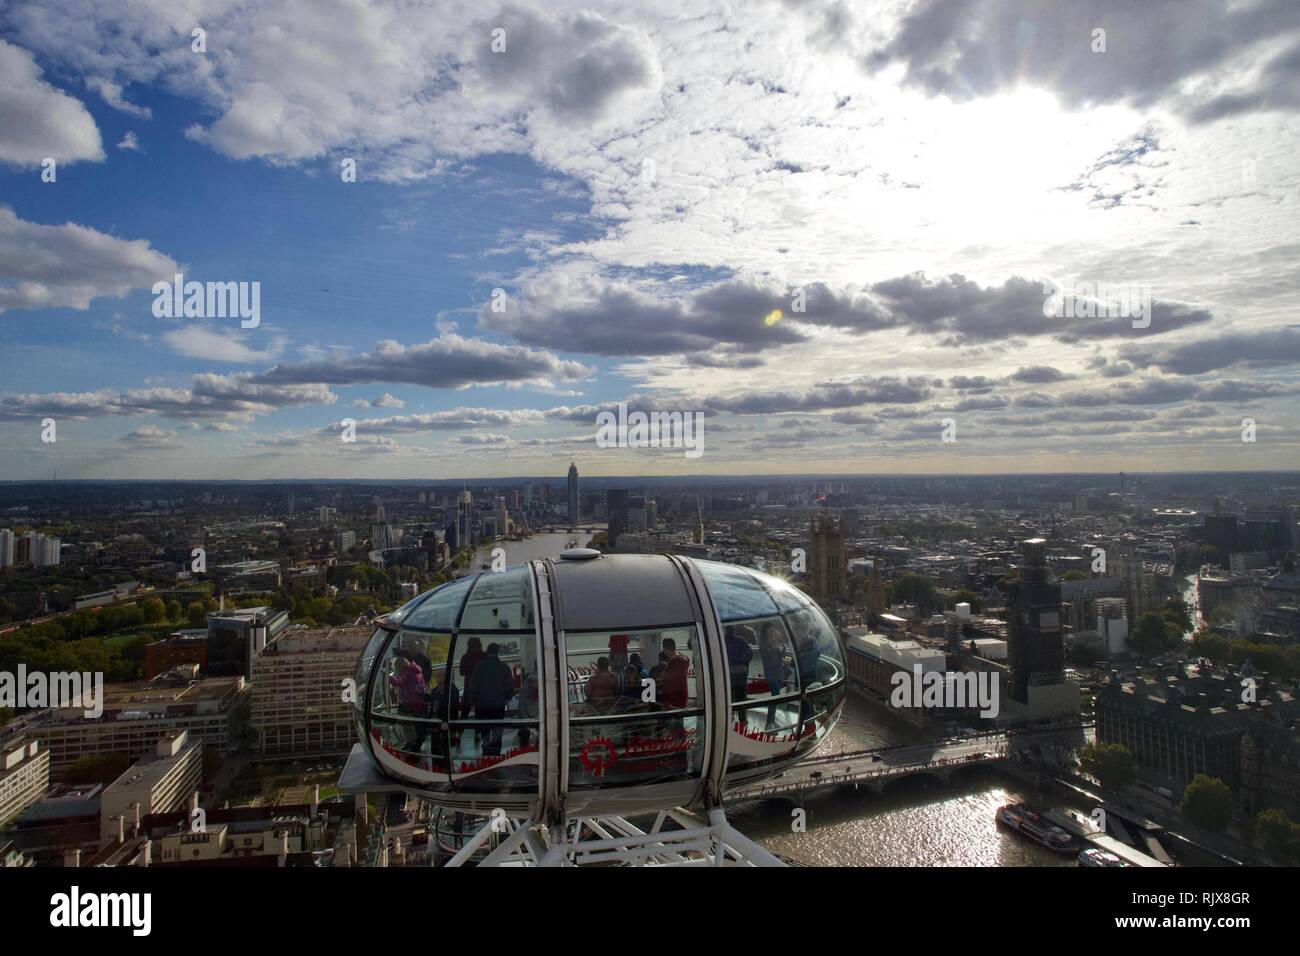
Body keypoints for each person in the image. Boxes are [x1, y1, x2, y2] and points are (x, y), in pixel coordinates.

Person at [464, 642, 515, 756]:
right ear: (498, 652)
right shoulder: (504, 667)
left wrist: (472, 701)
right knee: (497, 728)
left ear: (488, 652)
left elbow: (473, 685)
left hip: (482, 704)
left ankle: (486, 748)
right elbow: (509, 685)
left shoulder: (479, 666)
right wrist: (508, 697)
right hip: (498, 703)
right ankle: (496, 751)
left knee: (485, 728)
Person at [389, 649, 429, 717]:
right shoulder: (416, 668)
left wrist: (388, 677)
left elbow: (399, 682)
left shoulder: (407, 671)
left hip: (411, 701)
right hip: (419, 699)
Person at [724, 625, 754, 703]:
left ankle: (731, 713)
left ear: (725, 629)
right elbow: (750, 653)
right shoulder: (741, 640)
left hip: (728, 673)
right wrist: (745, 663)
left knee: (729, 697)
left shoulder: (722, 640)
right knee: (741, 698)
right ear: (734, 629)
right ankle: (741, 713)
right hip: (741, 672)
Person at [458, 637, 487, 718]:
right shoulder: (484, 655)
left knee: (465, 710)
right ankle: (479, 729)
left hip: (469, 686)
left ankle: (459, 729)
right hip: (482, 687)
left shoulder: (465, 657)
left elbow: (461, 672)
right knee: (480, 711)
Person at [661, 638, 690, 709]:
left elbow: (668, 680)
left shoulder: (675, 662)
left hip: (674, 701)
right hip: (681, 698)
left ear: (666, 649)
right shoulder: (682, 659)